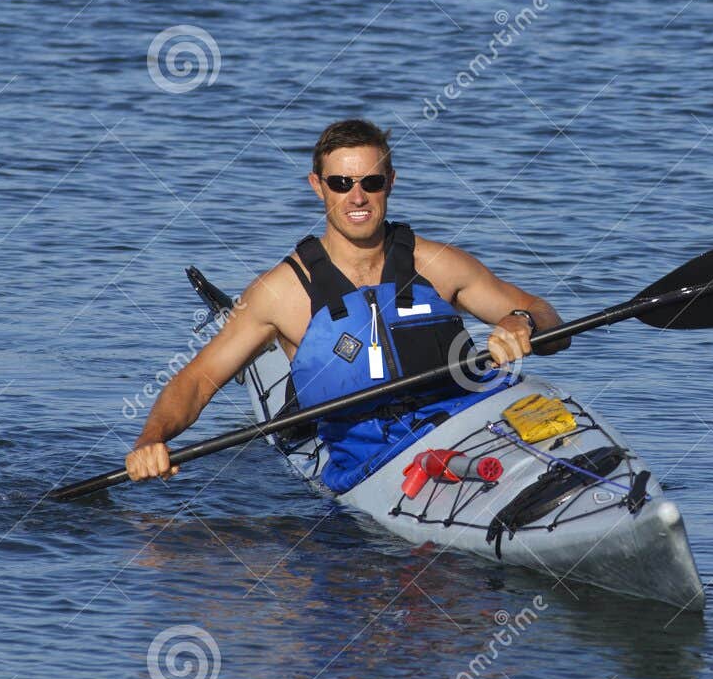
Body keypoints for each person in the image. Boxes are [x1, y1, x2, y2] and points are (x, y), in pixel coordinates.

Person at [124, 118, 566, 491]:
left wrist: (521, 321)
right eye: (341, 183)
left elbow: (545, 315)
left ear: (390, 182)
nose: (357, 197)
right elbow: (198, 380)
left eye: (371, 182)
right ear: (318, 187)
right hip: (368, 461)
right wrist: (151, 438)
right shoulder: (281, 292)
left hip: (471, 423)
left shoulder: (439, 264)